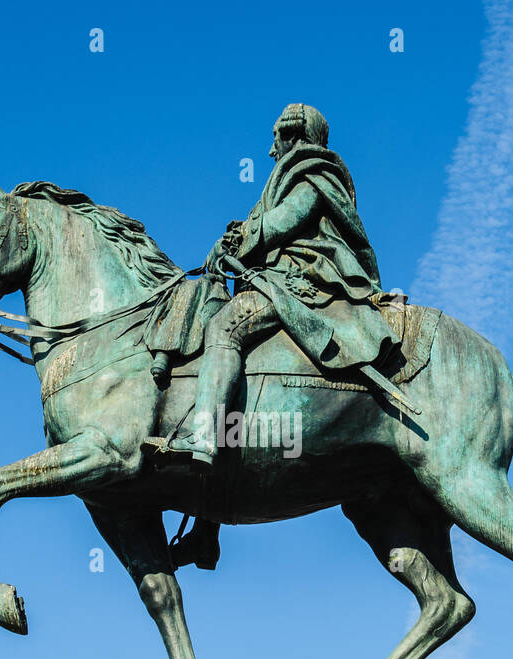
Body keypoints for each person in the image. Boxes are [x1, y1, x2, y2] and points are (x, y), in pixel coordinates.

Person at [160, 103, 399, 570]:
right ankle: (204, 527)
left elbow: (283, 223)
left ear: (295, 135)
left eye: (277, 137)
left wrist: (243, 239)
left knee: (223, 327)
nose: (271, 148)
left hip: (300, 281)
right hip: (272, 278)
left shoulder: (312, 175)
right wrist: (229, 240)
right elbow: (255, 224)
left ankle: (205, 437)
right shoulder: (279, 180)